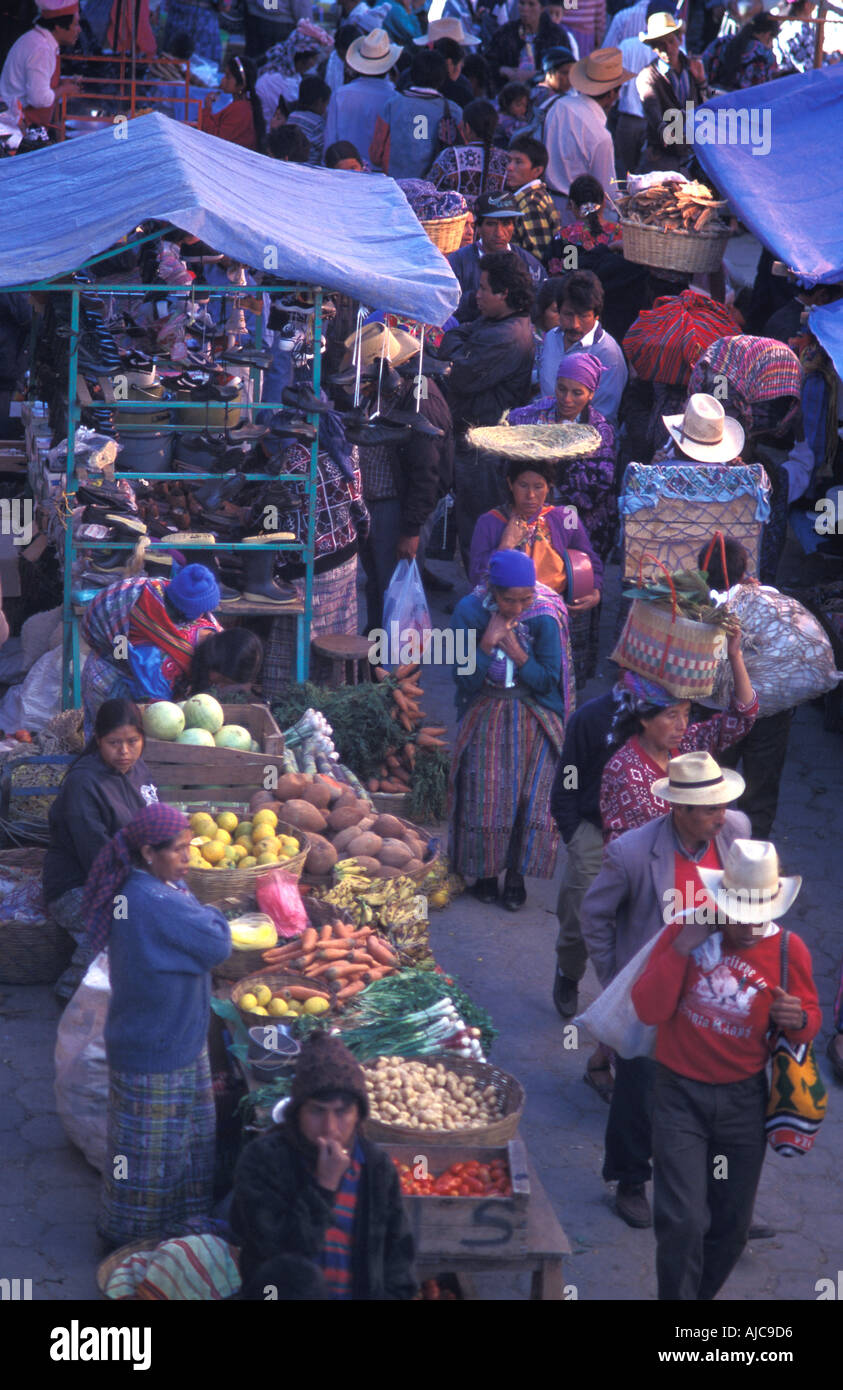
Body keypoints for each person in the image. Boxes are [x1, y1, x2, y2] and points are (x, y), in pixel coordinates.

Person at [632, 838, 820, 1300]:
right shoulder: (684, 931)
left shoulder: (789, 950)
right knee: (683, 1221)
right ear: (720, 901)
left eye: (761, 915)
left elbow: (808, 1020)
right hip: (678, 1096)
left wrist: (798, 1020)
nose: (752, 928)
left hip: (742, 1103)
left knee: (731, 1228)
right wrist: (680, 951)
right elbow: (648, 1009)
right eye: (741, 914)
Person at [581, 750, 751, 1228]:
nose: (721, 816)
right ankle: (630, 1180)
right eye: (710, 809)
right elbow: (594, 915)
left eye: (723, 806)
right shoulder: (633, 852)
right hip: (655, 985)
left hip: (716, 987)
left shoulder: (735, 832)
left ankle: (722, 1200)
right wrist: (617, 977)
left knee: (716, 1094)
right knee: (639, 1086)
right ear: (680, 809)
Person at [87, 804, 231, 1251]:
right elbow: (217, 942)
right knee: (149, 1157)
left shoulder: (153, 888)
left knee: (184, 1144)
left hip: (171, 1040)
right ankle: (127, 1243)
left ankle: (182, 1231)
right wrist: (213, 913)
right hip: (156, 1048)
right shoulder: (151, 900)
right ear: (149, 852)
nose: (189, 857)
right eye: (181, 849)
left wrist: (196, 905)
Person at [230, 1030, 417, 1300]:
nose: (330, 1128)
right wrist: (324, 1187)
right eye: (317, 1111)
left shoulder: (376, 1167)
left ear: (358, 1115)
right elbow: (277, 1256)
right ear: (298, 1112)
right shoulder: (263, 1159)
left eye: (342, 1112)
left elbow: (398, 1259)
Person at [449, 548, 574, 910]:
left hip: (533, 714)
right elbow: (464, 678)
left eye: (525, 599)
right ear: (491, 589)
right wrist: (487, 643)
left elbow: (549, 681)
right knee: (484, 795)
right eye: (508, 600)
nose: (518, 609)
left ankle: (515, 878)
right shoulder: (468, 612)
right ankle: (485, 875)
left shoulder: (545, 617)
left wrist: (518, 652)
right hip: (485, 711)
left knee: (527, 800)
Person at [339, 325, 454, 631]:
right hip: (375, 503)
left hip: (396, 506)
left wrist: (411, 529)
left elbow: (426, 472)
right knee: (378, 585)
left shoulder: (420, 398)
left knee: (396, 592)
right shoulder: (388, 391)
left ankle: (397, 669)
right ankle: (377, 661)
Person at [44, 697, 159, 1002]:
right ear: (98, 740)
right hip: (78, 885)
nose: (124, 751)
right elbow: (99, 859)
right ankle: (71, 990)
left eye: (133, 741)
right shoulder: (83, 783)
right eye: (114, 743)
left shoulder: (138, 769)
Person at [600, 642, 758, 843]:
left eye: (686, 714)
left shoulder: (687, 746)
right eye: (672, 715)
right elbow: (622, 851)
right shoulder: (624, 772)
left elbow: (743, 716)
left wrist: (735, 655)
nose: (682, 725)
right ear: (644, 719)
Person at [439, 252, 537, 564]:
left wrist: (456, 350)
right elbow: (456, 335)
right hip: (476, 437)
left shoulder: (507, 336)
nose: (476, 295)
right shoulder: (496, 322)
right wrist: (458, 345)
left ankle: (481, 596)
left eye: (483, 288)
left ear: (503, 294)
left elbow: (461, 376)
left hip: (486, 445)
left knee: (479, 525)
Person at [696, 536, 796, 839]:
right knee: (760, 793)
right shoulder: (769, 595)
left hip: (716, 711)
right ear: (744, 572)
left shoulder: (697, 607)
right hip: (768, 709)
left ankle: (707, 856)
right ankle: (752, 863)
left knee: (710, 789)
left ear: (701, 572)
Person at [81, 565, 222, 739]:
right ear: (185, 611)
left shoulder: (160, 592)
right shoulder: (142, 619)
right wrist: (130, 663)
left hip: (115, 657)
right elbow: (121, 650)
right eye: (200, 611)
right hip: (110, 672)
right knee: (109, 738)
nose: (204, 615)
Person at [509, 351, 617, 561]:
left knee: (570, 567)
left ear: (591, 394)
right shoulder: (536, 414)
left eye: (577, 393)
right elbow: (511, 427)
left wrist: (557, 464)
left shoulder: (600, 432)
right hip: (533, 508)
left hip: (573, 513)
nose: (566, 399)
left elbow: (599, 487)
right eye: (561, 389)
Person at [469, 454, 603, 594]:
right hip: (506, 605)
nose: (531, 495)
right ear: (510, 484)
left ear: (549, 486)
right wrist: (505, 546)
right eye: (523, 485)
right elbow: (476, 576)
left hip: (554, 604)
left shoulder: (566, 517)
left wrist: (595, 591)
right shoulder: (489, 522)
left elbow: (590, 560)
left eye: (538, 487)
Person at [543, 47, 633, 220]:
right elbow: (607, 192)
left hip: (549, 204)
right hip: (578, 214)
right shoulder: (600, 136)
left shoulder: (559, 106)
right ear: (612, 94)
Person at [538, 270, 628, 424]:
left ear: (596, 315)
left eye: (583, 316)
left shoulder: (608, 354)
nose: (575, 325)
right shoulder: (552, 337)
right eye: (568, 314)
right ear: (559, 311)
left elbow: (603, 417)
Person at [447, 190, 546, 323]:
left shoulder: (530, 265)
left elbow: (542, 307)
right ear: (479, 227)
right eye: (491, 224)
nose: (499, 233)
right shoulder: (456, 262)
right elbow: (447, 308)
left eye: (506, 224)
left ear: (513, 226)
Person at [369, 48, 462, 180]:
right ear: (443, 78)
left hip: (396, 185)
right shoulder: (453, 111)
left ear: (412, 74)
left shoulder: (392, 105)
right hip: (435, 190)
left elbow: (375, 155)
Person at [636, 11, 708, 173]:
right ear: (654, 48)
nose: (668, 48)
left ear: (679, 39)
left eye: (670, 41)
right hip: (663, 154)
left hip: (693, 149)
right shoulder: (647, 76)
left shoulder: (692, 67)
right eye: (661, 44)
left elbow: (705, 103)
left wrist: (702, 81)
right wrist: (663, 128)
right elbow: (651, 107)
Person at [0, 0, 81, 131]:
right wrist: (63, 90)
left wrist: (60, 84)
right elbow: (38, 99)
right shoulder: (41, 49)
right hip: (15, 128)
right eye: (76, 24)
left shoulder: (38, 41)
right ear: (58, 27)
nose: (79, 30)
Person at [323, 27, 399, 157]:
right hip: (379, 173)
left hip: (343, 169)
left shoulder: (340, 95)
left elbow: (330, 140)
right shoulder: (395, 99)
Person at [427, 98, 510, 209]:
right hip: (494, 224)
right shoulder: (506, 159)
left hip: (458, 224)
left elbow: (428, 192)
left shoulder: (450, 156)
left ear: (467, 127)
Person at [546, 175, 623, 272]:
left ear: (572, 204)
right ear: (604, 201)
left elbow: (560, 273)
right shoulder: (620, 233)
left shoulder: (565, 236)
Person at [506, 134, 562, 263]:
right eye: (509, 160)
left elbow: (537, 258)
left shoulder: (530, 203)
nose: (510, 167)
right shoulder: (532, 196)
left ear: (537, 171)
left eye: (518, 162)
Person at [202, 54, 265, 151]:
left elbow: (215, 139)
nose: (222, 79)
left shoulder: (241, 110)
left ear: (241, 85)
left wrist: (207, 109)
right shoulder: (241, 105)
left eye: (228, 77)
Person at [703, 11, 780, 87]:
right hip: (745, 99)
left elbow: (703, 69)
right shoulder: (766, 56)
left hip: (712, 96)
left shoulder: (720, 42)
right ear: (768, 34)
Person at [186, 627, 264, 699]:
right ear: (215, 662)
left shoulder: (219, 640)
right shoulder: (179, 656)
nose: (221, 686)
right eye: (223, 680)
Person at [486, 0, 544, 91]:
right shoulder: (505, 32)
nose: (525, 9)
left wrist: (535, 74)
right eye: (522, 3)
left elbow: (562, 69)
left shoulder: (554, 35)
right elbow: (488, 62)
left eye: (531, 4)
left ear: (542, 8)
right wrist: (503, 70)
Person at [287, 73, 331, 163]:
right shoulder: (317, 123)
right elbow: (324, 148)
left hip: (291, 162)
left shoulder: (292, 115)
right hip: (309, 166)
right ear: (319, 102)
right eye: (326, 104)